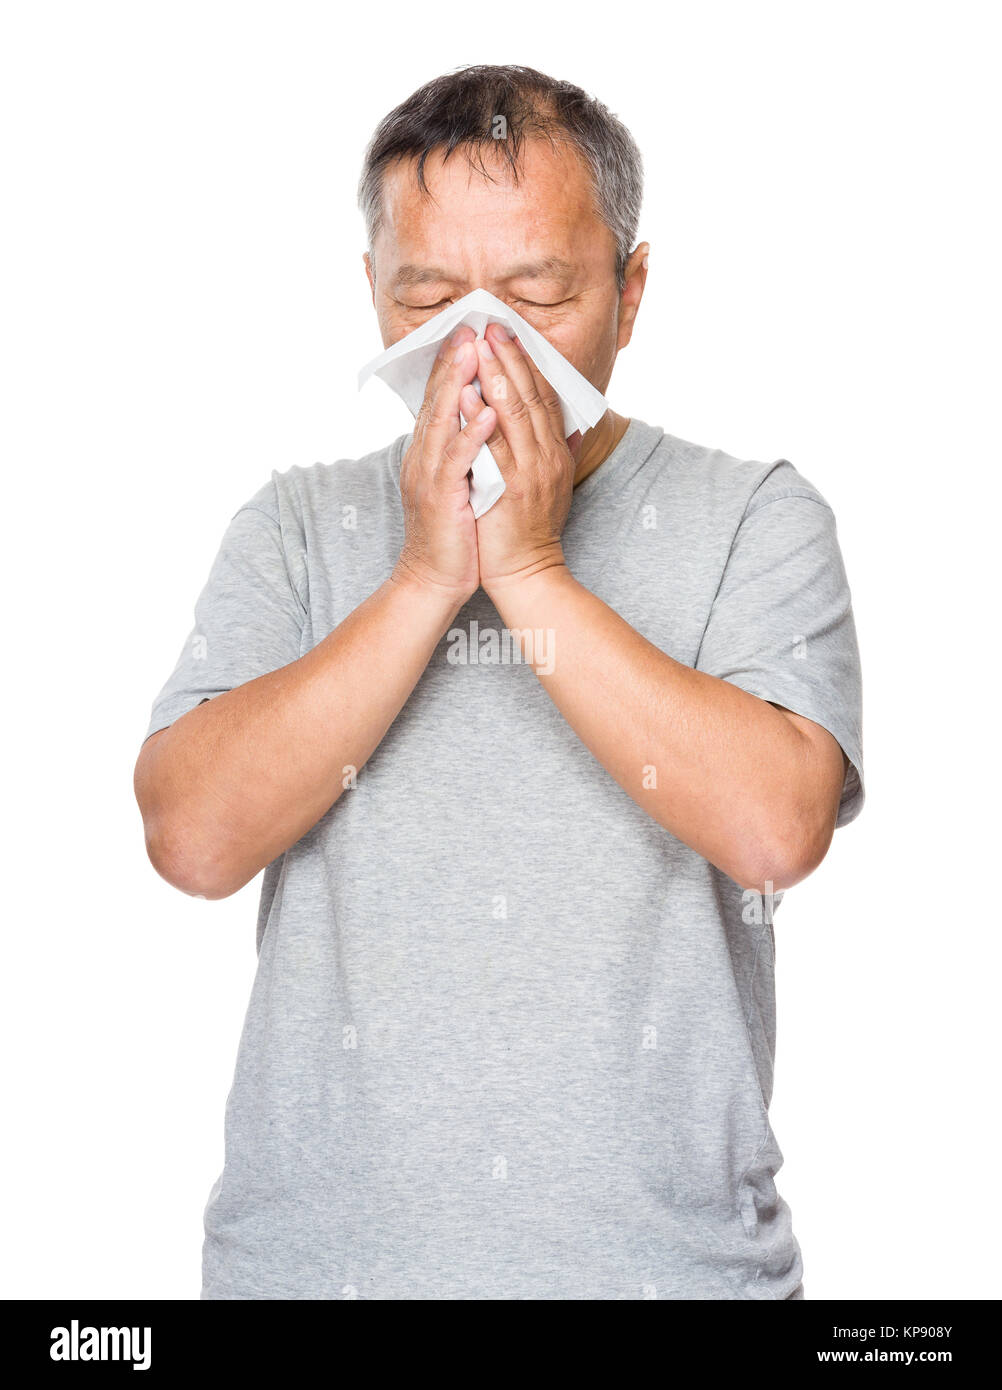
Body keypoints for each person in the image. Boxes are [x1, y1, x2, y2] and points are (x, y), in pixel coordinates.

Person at [134, 63, 864, 1301]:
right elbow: (193, 839)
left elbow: (776, 828)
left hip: (672, 1279)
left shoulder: (755, 516)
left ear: (630, 295)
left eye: (538, 294)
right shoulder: (297, 526)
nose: (482, 352)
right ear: (372, 298)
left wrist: (525, 567)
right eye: (427, 298)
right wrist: (426, 576)